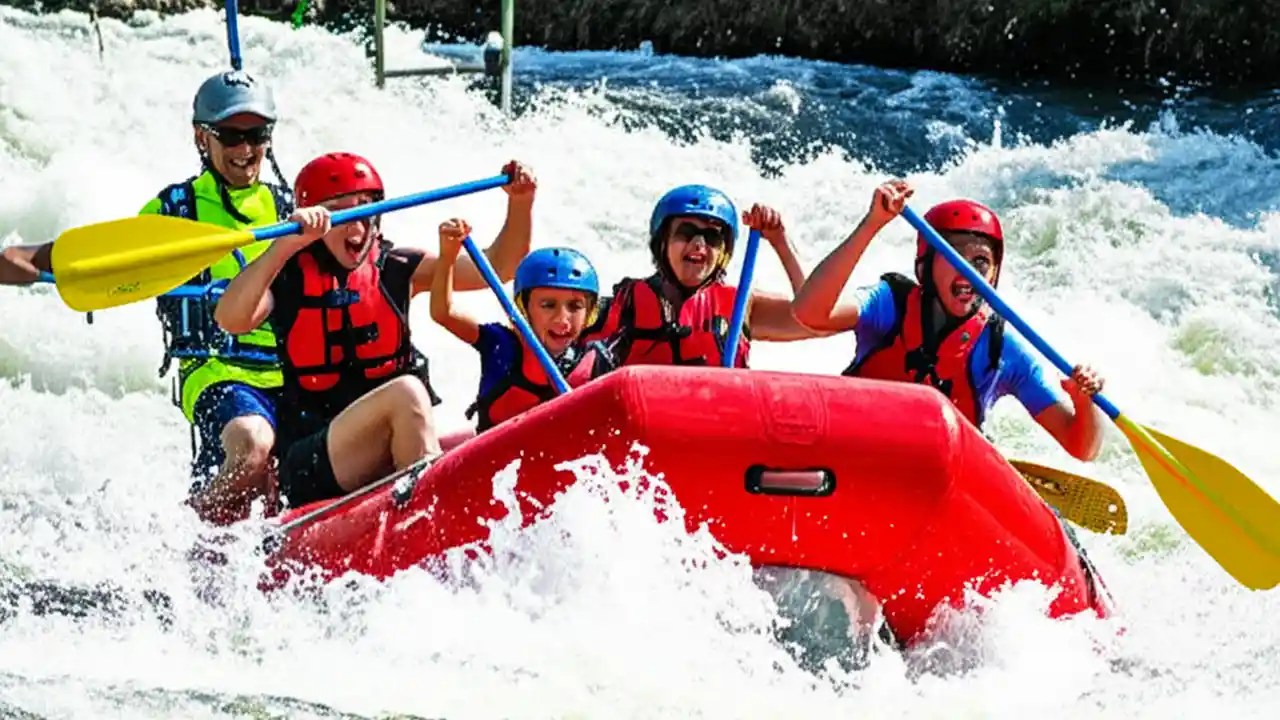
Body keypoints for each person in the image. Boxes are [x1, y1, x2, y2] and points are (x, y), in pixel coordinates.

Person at [0, 70, 295, 526]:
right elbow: (96, 258)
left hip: (296, 371)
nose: (244, 149)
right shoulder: (174, 211)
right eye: (232, 135)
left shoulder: (290, 208)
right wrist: (24, 261)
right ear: (202, 137)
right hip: (216, 373)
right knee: (253, 446)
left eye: (256, 134)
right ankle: (190, 534)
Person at [215, 152, 537, 509]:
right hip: (312, 461)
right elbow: (231, 319)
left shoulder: (397, 267)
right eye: (341, 214)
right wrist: (286, 244)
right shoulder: (289, 278)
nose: (357, 229)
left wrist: (521, 204)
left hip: (382, 442)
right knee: (408, 394)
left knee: (442, 413)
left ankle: (422, 495)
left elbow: (499, 266)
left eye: (365, 211)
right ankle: (429, 510)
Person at [791, 179, 1107, 461]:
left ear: (995, 273)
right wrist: (872, 225)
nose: (969, 271)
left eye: (981, 261)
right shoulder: (889, 304)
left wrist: (1085, 403)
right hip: (854, 452)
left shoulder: (1001, 350)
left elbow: (1081, 447)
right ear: (924, 268)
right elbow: (809, 313)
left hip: (936, 475)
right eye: (954, 257)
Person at [579, 184, 817, 367]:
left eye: (712, 238)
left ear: (723, 253)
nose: (699, 244)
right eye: (686, 233)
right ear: (662, 243)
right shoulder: (625, 304)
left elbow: (818, 318)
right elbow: (545, 324)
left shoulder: (741, 307)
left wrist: (780, 241)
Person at [431, 230, 613, 431]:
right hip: (497, 457)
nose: (562, 319)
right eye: (548, 305)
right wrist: (447, 257)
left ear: (591, 313)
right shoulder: (500, 343)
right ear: (522, 309)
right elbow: (443, 313)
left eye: (575, 307)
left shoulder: (596, 360)